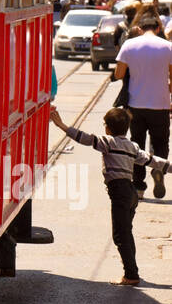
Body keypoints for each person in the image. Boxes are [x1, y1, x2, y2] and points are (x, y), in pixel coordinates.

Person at [50, 103, 172, 285]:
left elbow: (84, 138)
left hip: (120, 193)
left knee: (120, 235)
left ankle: (131, 275)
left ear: (107, 128)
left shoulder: (107, 142)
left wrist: (62, 126)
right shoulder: (132, 146)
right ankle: (132, 270)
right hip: (131, 194)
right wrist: (170, 167)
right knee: (126, 233)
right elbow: (153, 160)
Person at [113, 13, 172, 198]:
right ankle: (158, 171)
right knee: (161, 143)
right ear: (157, 28)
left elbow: (119, 74)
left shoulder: (129, 45)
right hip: (160, 104)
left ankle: (138, 187)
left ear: (139, 28)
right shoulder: (168, 47)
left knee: (136, 146)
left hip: (135, 104)